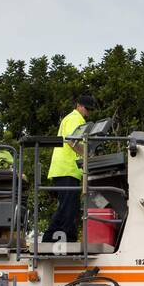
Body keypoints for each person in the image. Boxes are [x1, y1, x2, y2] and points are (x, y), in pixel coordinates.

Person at [43, 93, 96, 244]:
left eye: (90, 110)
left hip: (66, 168)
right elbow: (72, 141)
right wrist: (87, 155)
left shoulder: (70, 118)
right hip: (67, 168)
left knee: (69, 206)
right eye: (87, 109)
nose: (88, 112)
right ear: (79, 106)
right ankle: (56, 238)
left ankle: (64, 238)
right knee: (68, 206)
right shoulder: (75, 118)